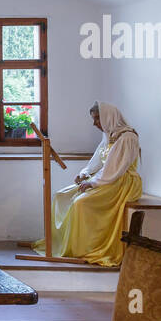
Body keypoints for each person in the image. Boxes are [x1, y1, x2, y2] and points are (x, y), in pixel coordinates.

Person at [35, 101, 142, 266]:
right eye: (94, 119)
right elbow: (99, 159)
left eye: (98, 119)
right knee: (61, 196)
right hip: (106, 178)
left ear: (108, 118)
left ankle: (85, 248)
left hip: (121, 182)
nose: (95, 124)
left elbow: (115, 168)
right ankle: (62, 244)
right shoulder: (109, 134)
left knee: (80, 203)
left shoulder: (127, 137)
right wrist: (84, 173)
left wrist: (93, 183)